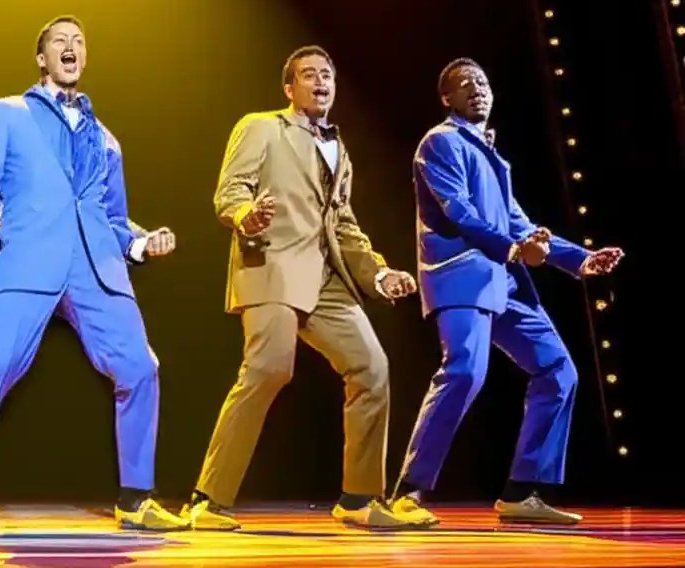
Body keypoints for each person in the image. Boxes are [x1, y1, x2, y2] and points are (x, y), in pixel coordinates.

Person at [0, 16, 185, 533]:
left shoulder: (106, 138)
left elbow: (112, 216)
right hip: (26, 257)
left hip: (97, 268)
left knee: (140, 368)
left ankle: (137, 497)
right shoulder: (6, 113)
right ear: (41, 58)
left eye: (79, 41)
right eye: (60, 41)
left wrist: (142, 242)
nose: (71, 47)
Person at [184, 46, 425, 531]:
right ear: (288, 87)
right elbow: (231, 190)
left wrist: (378, 273)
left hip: (325, 277)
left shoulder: (339, 148)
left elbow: (344, 225)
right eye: (309, 74)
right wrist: (245, 217)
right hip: (272, 265)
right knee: (269, 369)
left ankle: (359, 499)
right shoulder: (261, 126)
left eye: (327, 75)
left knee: (371, 367)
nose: (320, 81)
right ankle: (207, 500)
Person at [389, 58, 623, 526]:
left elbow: (517, 221)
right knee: (464, 372)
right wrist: (516, 249)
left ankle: (520, 492)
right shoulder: (441, 142)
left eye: (483, 82)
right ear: (447, 98)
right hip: (462, 273)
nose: (476, 89)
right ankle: (407, 491)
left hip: (505, 278)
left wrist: (577, 257)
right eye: (464, 84)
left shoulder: (490, 152)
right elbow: (461, 213)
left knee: (559, 370)